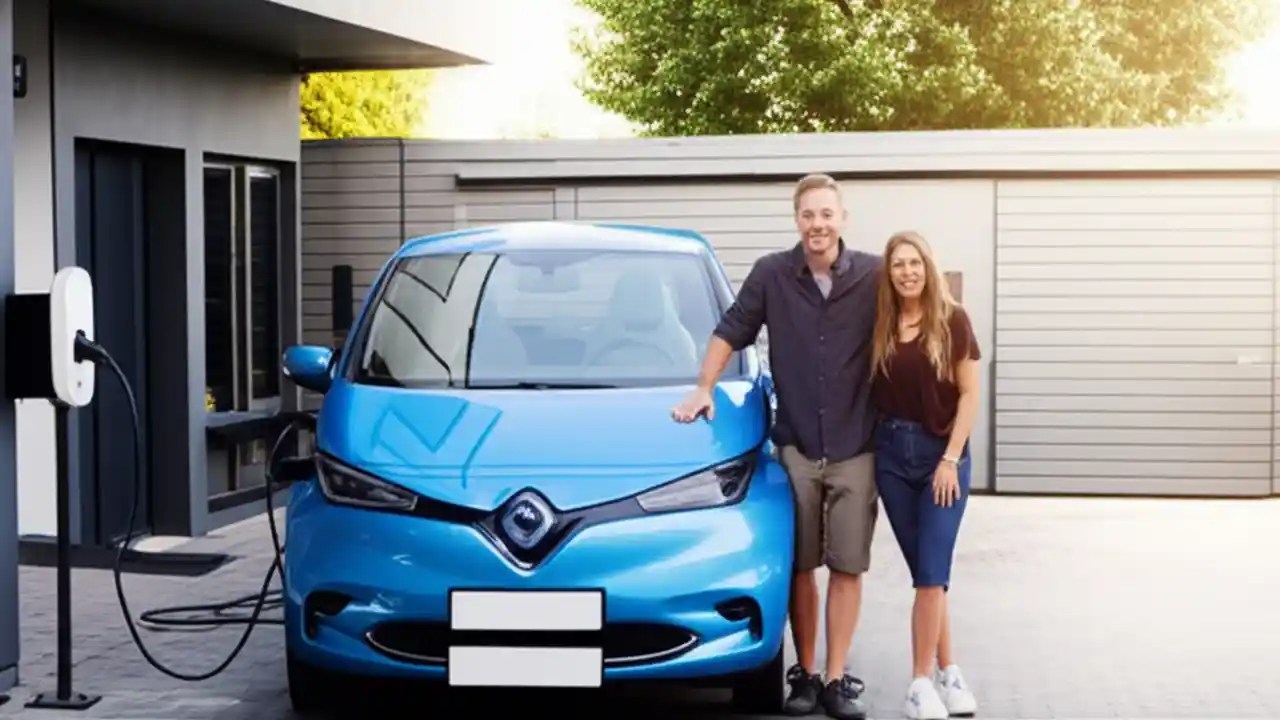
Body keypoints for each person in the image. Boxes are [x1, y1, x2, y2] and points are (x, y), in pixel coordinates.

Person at [672, 173, 881, 720]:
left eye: (827, 214)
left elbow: (916, 317)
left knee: (848, 566)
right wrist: (703, 387)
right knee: (800, 567)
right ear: (797, 220)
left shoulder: (874, 276)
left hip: (856, 446)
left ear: (842, 218)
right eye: (808, 214)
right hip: (795, 447)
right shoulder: (771, 274)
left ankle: (837, 680)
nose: (818, 224)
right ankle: (806, 677)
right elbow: (731, 329)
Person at [869, 230, 980, 720]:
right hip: (892, 457)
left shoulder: (953, 319)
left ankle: (919, 683)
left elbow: (970, 395)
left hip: (942, 458)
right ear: (889, 274)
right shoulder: (881, 324)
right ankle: (949, 670)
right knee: (927, 575)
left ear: (928, 267)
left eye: (914, 262)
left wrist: (950, 459)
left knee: (932, 571)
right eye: (898, 264)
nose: (907, 271)